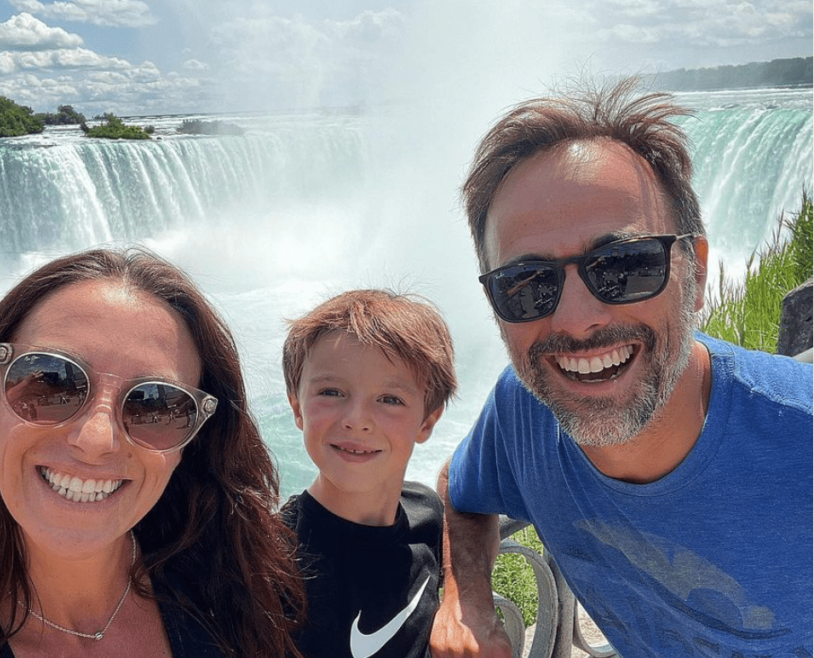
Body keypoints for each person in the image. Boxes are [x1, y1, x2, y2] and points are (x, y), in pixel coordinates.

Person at [430, 78, 814, 657]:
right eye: (528, 284)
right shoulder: (524, 410)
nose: (578, 320)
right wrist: (466, 600)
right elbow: (461, 491)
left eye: (625, 265)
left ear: (697, 273)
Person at [0, 248, 306, 658]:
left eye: (156, 404)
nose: (96, 438)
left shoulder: (243, 595)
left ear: (191, 444)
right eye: (49, 381)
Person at [279, 289, 458, 658]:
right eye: (331, 392)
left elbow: (461, 483)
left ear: (427, 421)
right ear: (297, 408)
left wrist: (463, 596)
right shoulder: (271, 563)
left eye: (390, 399)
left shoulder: (425, 511)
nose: (357, 420)